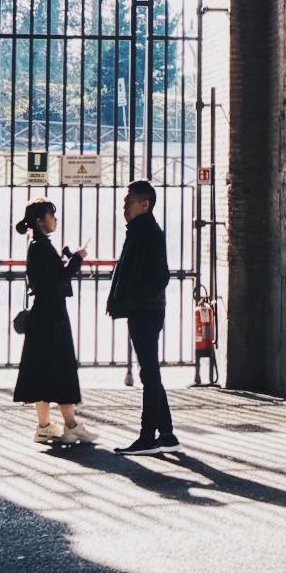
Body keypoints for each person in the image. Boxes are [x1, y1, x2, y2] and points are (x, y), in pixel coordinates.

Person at [13, 200, 95, 446]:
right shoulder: (41, 247)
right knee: (62, 367)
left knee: (42, 369)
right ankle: (71, 425)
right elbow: (57, 281)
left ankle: (45, 425)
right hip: (53, 316)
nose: (55, 219)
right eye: (52, 215)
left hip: (42, 315)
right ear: (40, 220)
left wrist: (65, 259)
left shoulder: (37, 245)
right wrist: (78, 259)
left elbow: (48, 277)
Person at [106, 179, 177, 454]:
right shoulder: (140, 230)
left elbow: (160, 276)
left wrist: (136, 296)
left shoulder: (148, 233)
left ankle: (148, 437)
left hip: (145, 311)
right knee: (150, 372)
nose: (124, 206)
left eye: (129, 201)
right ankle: (167, 435)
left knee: (149, 372)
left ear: (144, 204)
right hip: (145, 309)